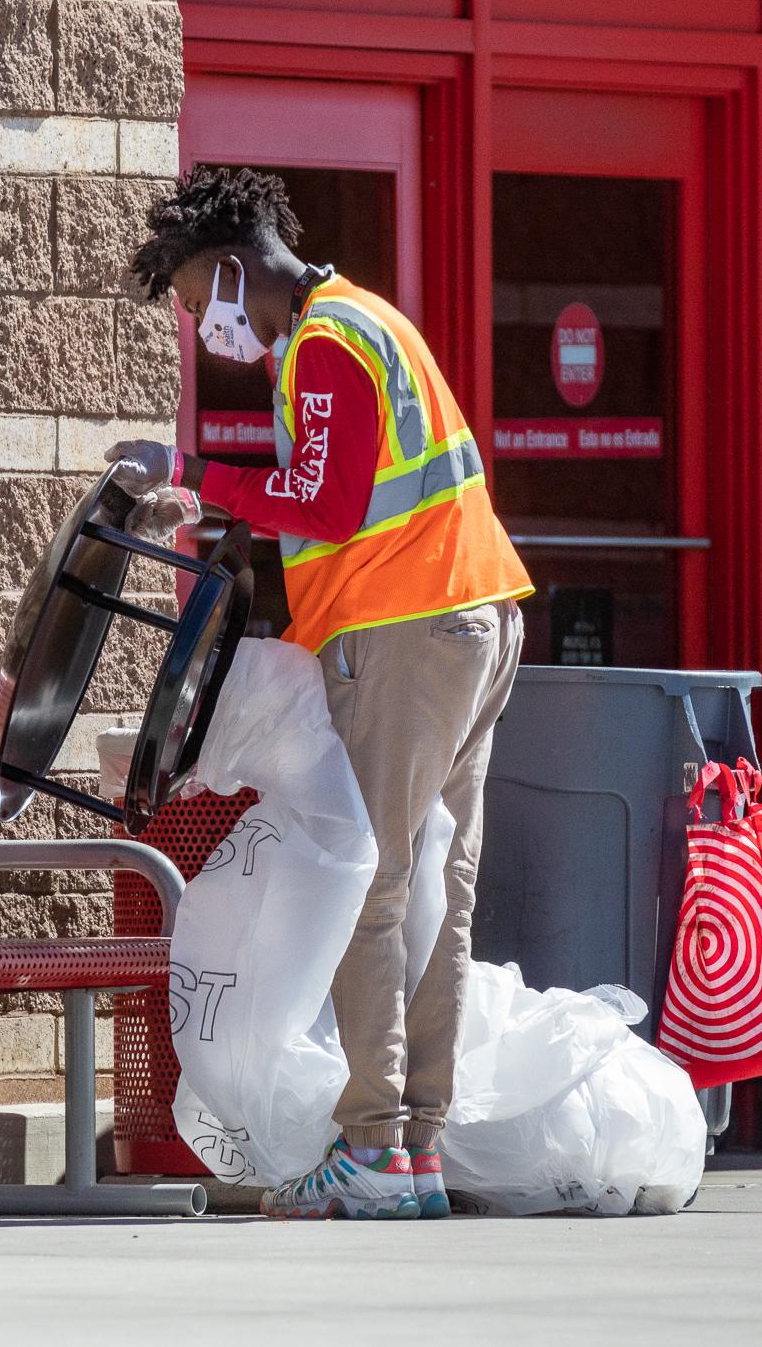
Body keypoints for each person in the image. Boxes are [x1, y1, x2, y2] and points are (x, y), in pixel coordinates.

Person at [105, 167, 532, 1221]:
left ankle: (374, 1148)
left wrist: (192, 472)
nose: (206, 323)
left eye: (200, 293)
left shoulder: (325, 344)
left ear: (238, 268)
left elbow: (326, 503)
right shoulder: (370, 319)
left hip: (410, 630)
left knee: (377, 884)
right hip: (477, 613)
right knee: (443, 886)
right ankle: (418, 1146)